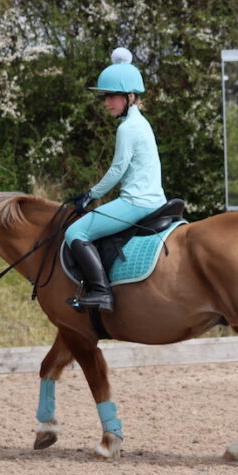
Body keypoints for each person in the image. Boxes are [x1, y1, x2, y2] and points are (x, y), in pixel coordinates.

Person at [65, 47, 168, 312]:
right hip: (154, 199)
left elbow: (117, 170)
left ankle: (101, 293)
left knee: (75, 231)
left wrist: (91, 194)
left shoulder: (128, 128)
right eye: (105, 97)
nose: (107, 102)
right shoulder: (141, 123)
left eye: (113, 96)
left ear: (130, 96)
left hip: (136, 202)